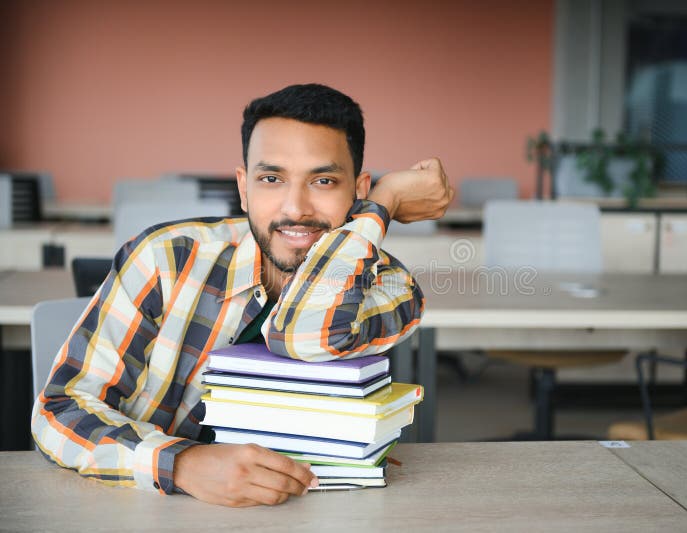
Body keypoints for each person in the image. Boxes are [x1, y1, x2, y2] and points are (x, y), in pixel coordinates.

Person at [31, 83, 453, 507]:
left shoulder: (390, 286)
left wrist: (384, 201)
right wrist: (182, 463)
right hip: (150, 510)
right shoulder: (166, 258)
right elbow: (60, 411)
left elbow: (303, 334)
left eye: (323, 180)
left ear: (358, 191)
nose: (295, 207)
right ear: (244, 188)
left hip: (317, 512)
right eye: (271, 179)